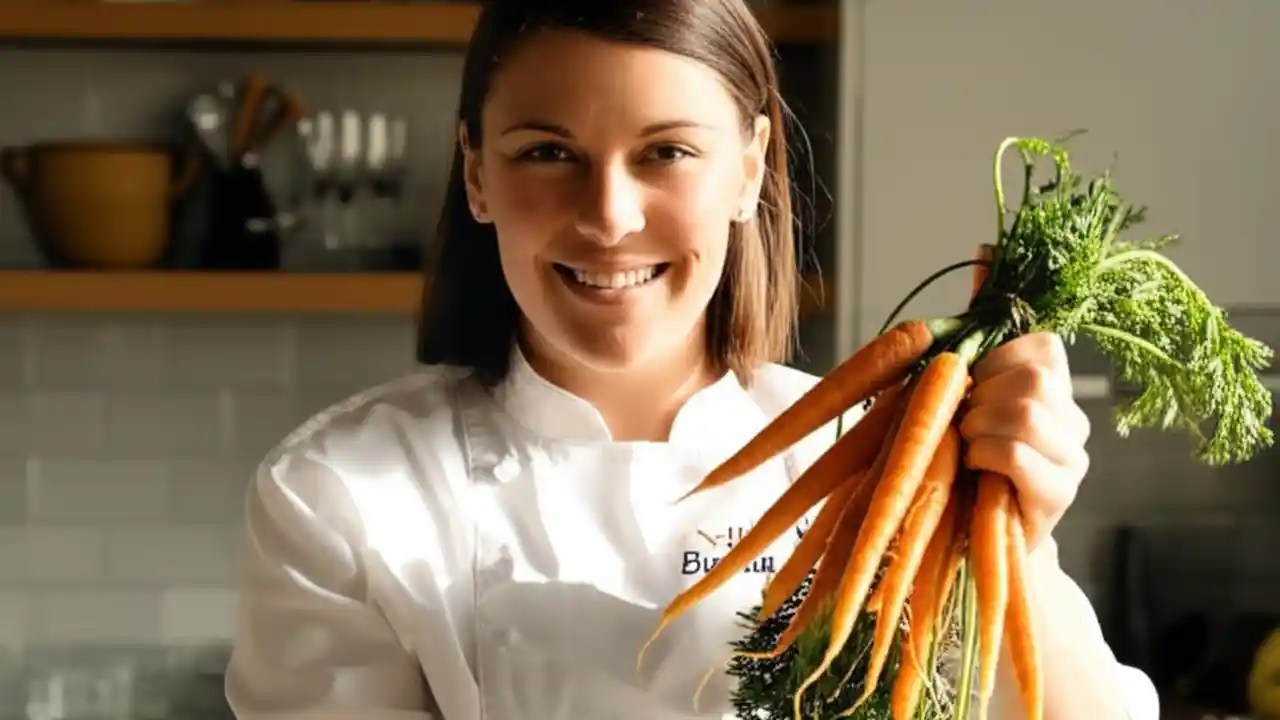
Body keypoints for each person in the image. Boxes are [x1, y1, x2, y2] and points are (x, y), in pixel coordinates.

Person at [223, 1, 1161, 718]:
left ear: (749, 167)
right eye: (548, 152)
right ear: (475, 172)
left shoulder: (889, 457)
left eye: (666, 152)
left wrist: (1016, 533)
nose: (609, 217)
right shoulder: (342, 493)